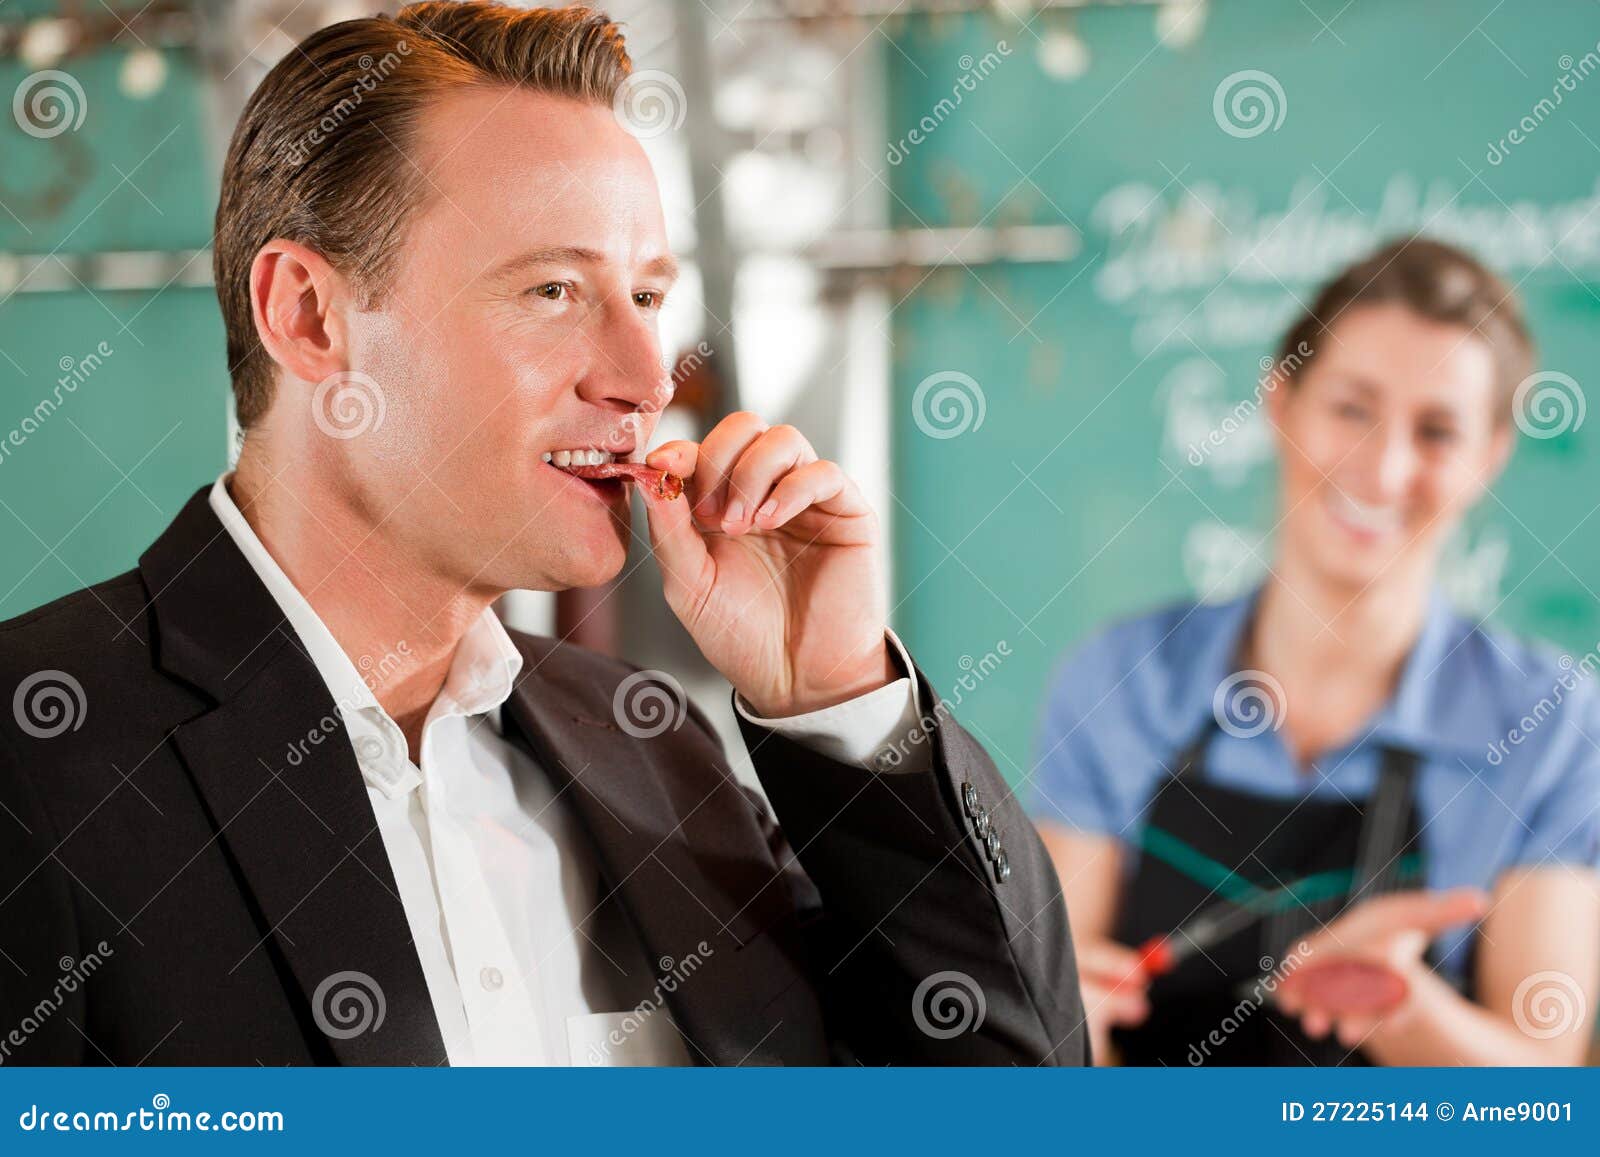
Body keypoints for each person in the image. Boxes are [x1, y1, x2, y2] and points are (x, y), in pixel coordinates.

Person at [0, 2, 1088, 1067]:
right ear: (310, 317)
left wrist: (836, 697)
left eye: (650, 293)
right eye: (553, 287)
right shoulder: (35, 757)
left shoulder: (656, 751)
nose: (646, 376)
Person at [1031, 237, 1600, 1066]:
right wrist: (1060, 1019)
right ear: (1280, 401)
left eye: (1438, 431)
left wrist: (1404, 1010)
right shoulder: (1119, 681)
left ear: (1490, 457)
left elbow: (1548, 1101)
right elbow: (1060, 1030)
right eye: (1351, 407)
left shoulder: (1551, 722)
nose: (1385, 467)